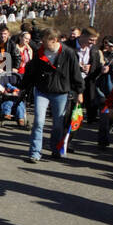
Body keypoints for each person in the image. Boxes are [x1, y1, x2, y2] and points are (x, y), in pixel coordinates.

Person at [22, 28, 83, 163]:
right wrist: (23, 87)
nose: (42, 44)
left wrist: (79, 91)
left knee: (58, 124)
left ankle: (55, 148)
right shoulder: (39, 52)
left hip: (61, 92)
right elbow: (31, 71)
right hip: (42, 91)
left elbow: (75, 73)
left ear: (54, 40)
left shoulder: (68, 53)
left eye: (45, 41)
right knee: (38, 121)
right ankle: (35, 152)